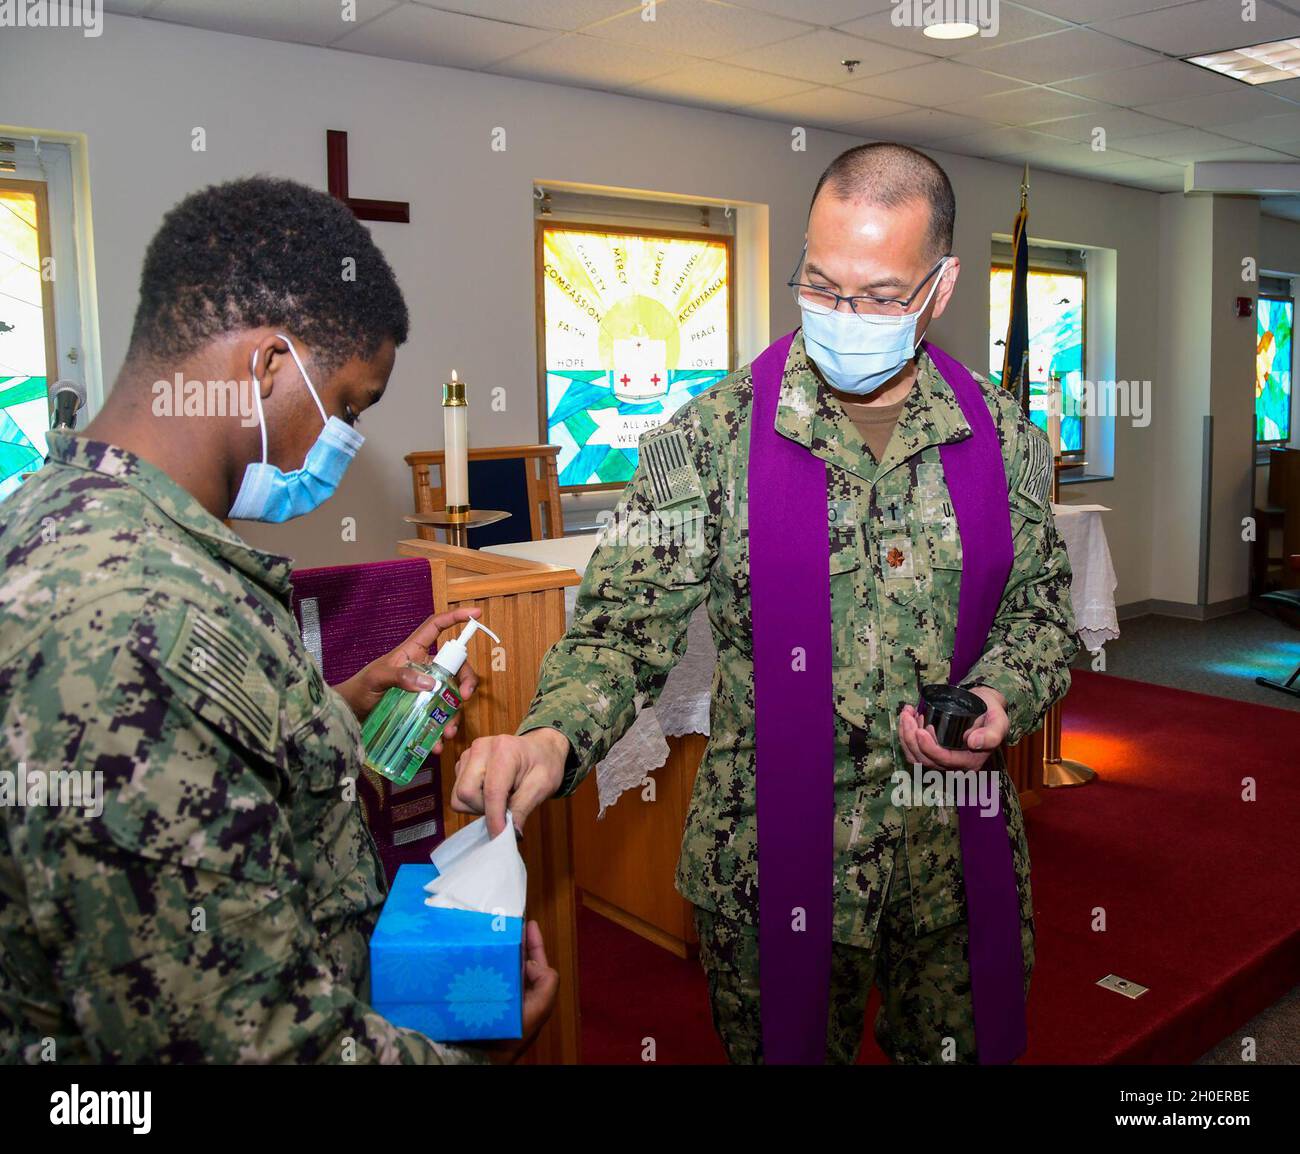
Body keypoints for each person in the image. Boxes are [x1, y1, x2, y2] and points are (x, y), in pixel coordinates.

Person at [451, 143, 1079, 1064]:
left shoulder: (1006, 440)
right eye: (820, 285)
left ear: (940, 289)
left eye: (877, 295)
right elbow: (622, 632)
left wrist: (995, 703)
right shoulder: (705, 438)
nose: (842, 316)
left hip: (953, 862)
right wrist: (550, 736)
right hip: (770, 865)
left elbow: (1043, 617)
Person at [0, 177, 557, 1064]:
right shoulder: (134, 620)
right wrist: (477, 1048)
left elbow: (210, 772)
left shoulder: (72, 515)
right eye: (346, 407)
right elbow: (239, 1043)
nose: (340, 440)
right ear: (266, 367)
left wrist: (338, 711)